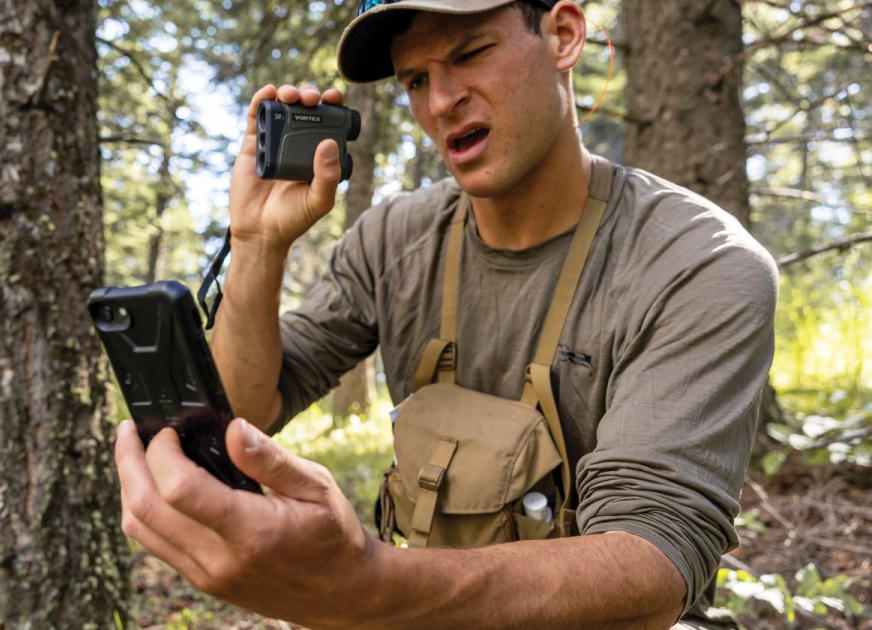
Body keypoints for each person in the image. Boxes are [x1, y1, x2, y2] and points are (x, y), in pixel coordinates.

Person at [113, 0, 778, 627]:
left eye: (471, 54)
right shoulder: (396, 240)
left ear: (565, 36)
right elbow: (253, 408)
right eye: (415, 79)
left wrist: (361, 586)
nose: (441, 101)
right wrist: (259, 245)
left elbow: (651, 564)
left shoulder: (697, 264)